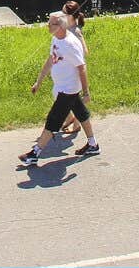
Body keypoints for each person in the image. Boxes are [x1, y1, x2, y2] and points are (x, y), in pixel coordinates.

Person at [19, 12, 99, 166]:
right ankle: (93, 144)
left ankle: (35, 153)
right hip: (64, 87)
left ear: (61, 26)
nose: (47, 25)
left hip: (68, 90)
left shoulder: (70, 44)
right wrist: (38, 81)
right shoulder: (56, 38)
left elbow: (82, 68)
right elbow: (51, 59)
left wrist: (86, 92)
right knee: (82, 114)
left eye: (51, 24)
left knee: (53, 120)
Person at [58, 1, 88, 135]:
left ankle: (75, 123)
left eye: (63, 13)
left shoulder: (75, 31)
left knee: (74, 98)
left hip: (75, 69)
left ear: (70, 16)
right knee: (67, 96)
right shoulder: (68, 27)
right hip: (68, 68)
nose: (61, 15)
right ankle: (71, 119)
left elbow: (85, 51)